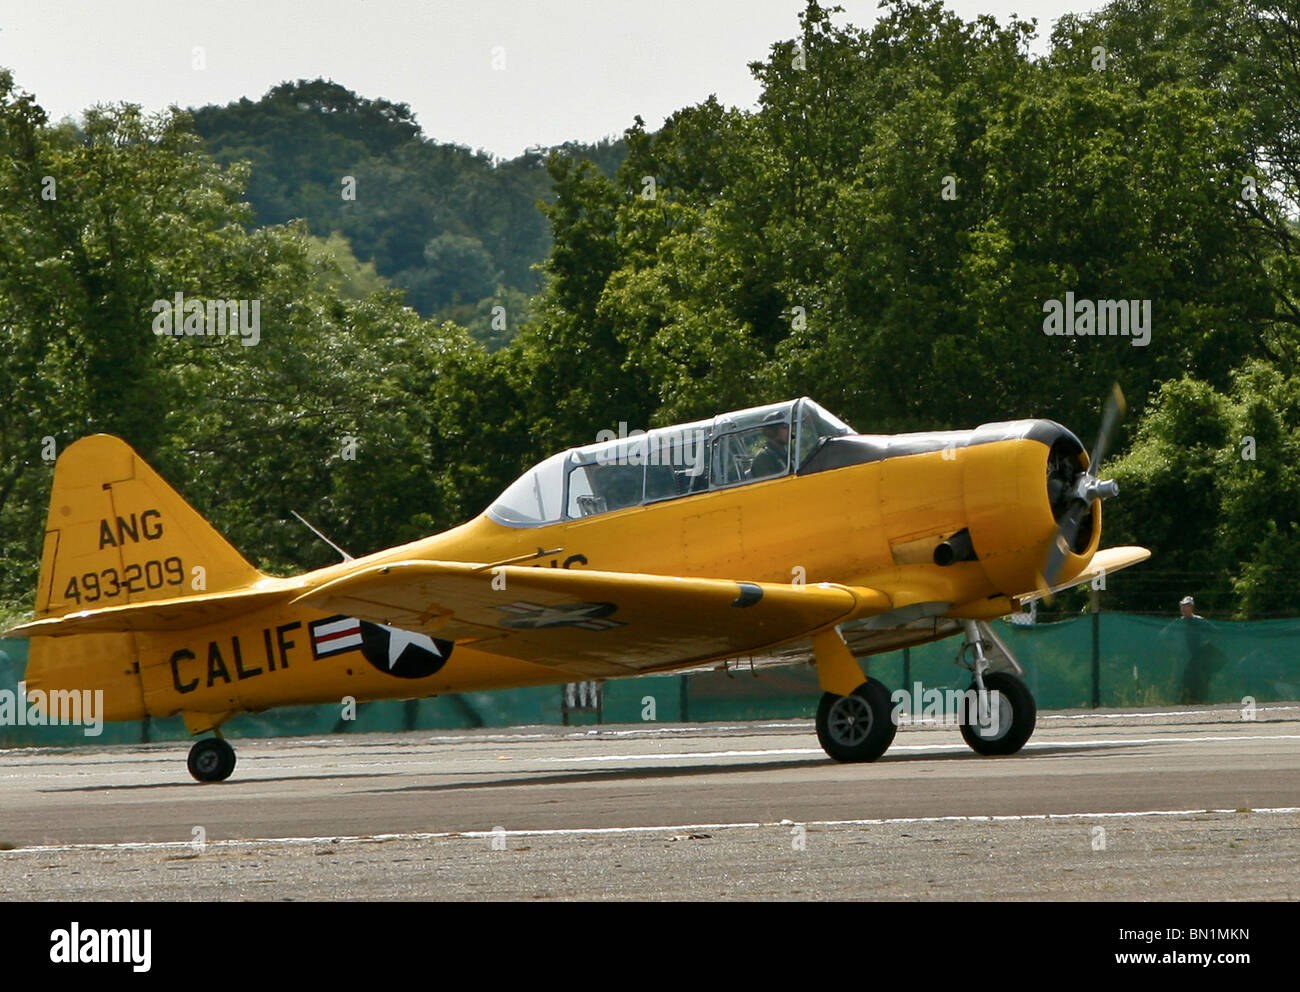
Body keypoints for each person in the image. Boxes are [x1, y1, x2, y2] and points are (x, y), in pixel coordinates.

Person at [750, 414, 790, 479]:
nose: (788, 430)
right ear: (773, 431)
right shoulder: (763, 458)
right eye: (784, 427)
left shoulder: (786, 453)